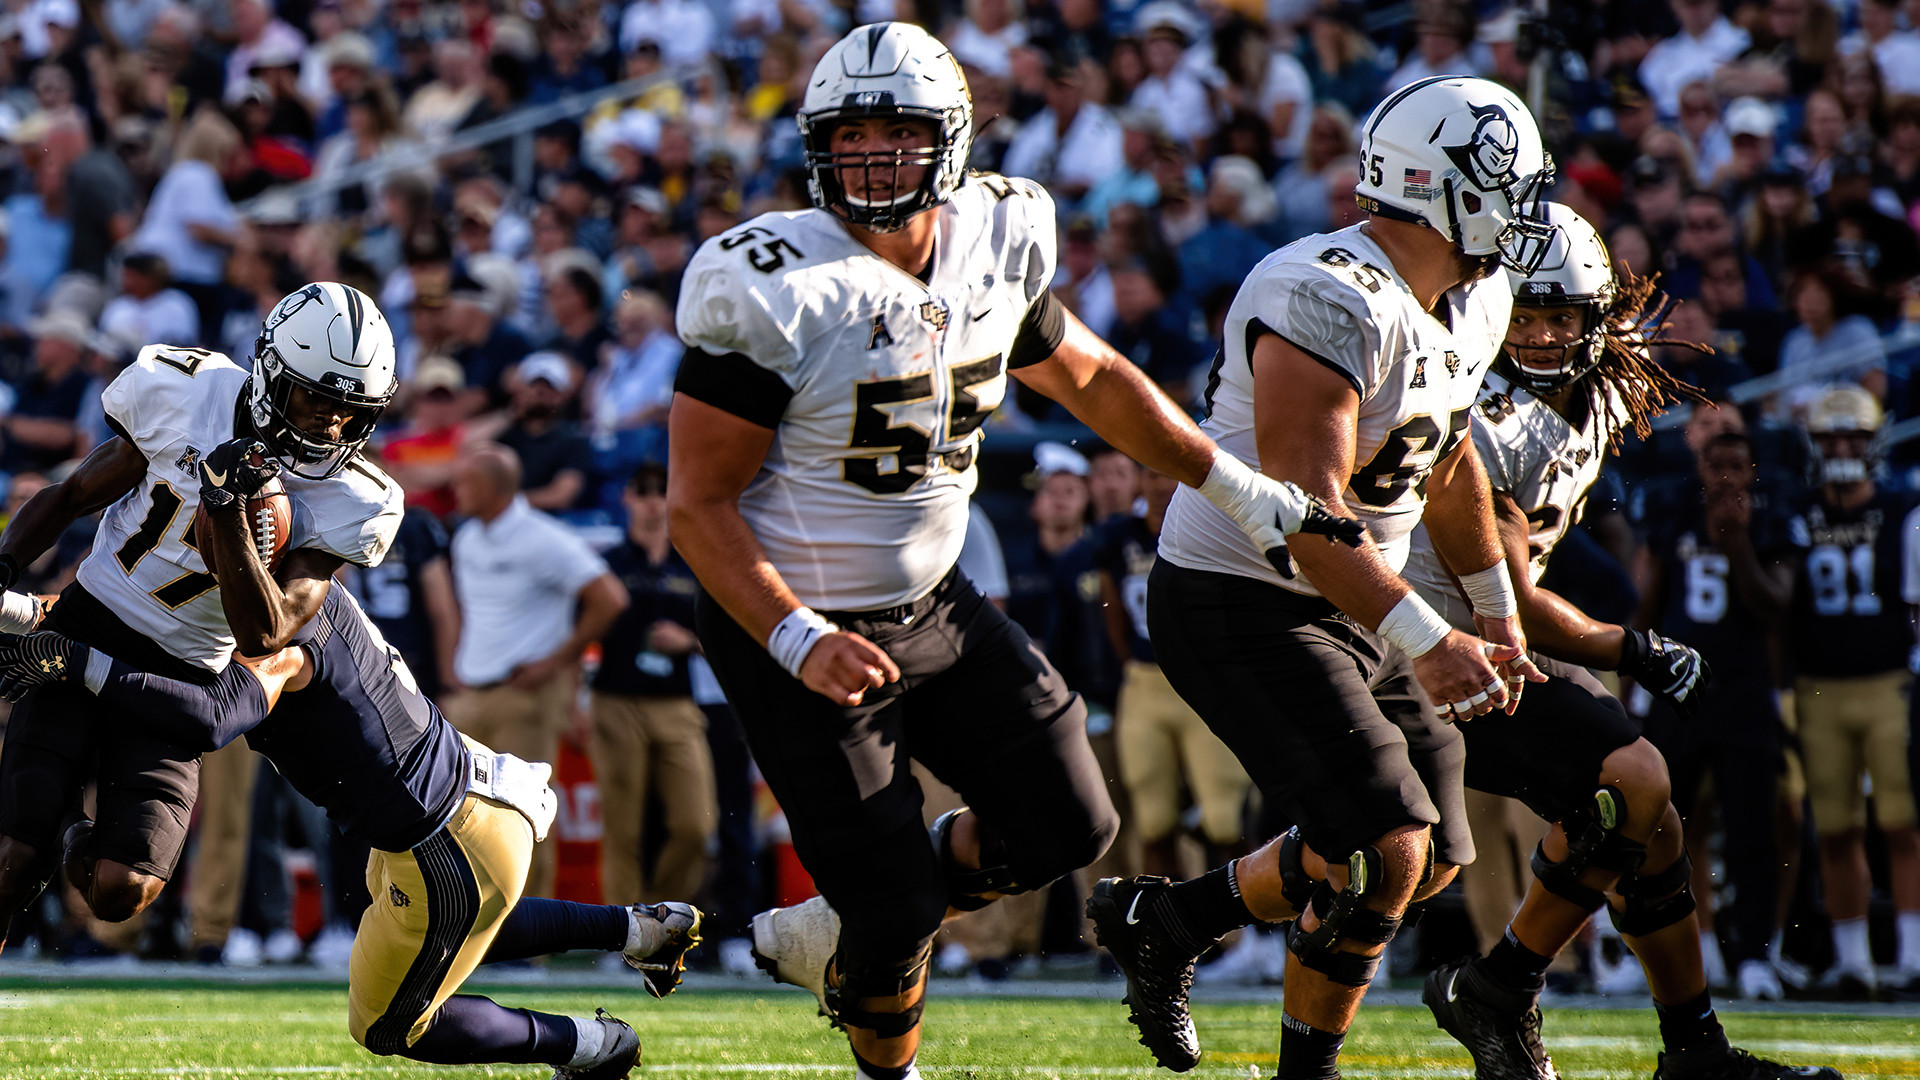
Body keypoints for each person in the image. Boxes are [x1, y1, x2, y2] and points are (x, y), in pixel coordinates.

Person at [666, 23, 1359, 1080]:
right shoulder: (774, 284)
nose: (870, 160)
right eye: (849, 137)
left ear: (950, 143)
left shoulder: (997, 235)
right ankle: (880, 994)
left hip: (935, 600)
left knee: (1072, 823)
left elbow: (1085, 376)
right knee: (896, 909)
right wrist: (799, 639)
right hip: (792, 619)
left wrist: (1231, 481)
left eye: (897, 136)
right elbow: (696, 506)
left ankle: (847, 922)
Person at [1090, 75, 1553, 1076]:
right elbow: (1309, 521)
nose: (1522, 213)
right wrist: (1432, 641)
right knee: (1386, 844)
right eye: (1509, 188)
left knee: (1430, 864)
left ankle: (1170, 921)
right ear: (1451, 189)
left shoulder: (1468, 298)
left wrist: (1495, 608)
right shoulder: (1323, 293)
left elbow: (1449, 457)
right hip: (1241, 593)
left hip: (1359, 598)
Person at [1403, 203, 1838, 1080]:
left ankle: (1694, 1049)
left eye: (1557, 314)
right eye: (1520, 313)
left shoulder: (1592, 397)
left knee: (1660, 828)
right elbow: (1514, 596)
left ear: (1595, 316)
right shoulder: (1480, 412)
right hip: (1430, 652)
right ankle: (1499, 984)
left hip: (1485, 641)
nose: (1535, 334)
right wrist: (1636, 650)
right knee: (1632, 781)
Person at [0, 584, 699, 1079]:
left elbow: (209, 718)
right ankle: (640, 930)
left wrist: (82, 666)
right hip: (458, 811)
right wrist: (28, 612)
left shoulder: (286, 635)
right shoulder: (310, 591)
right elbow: (148, 613)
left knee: (390, 1025)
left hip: (446, 841)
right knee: (432, 935)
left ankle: (591, 1046)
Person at [0, 282, 403, 948]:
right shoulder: (186, 389)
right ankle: (42, 834)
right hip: (89, 620)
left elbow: (263, 633)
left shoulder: (357, 498)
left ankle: (67, 828)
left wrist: (228, 518)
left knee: (120, 891)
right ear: (273, 374)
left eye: (349, 412)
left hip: (183, 672)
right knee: (11, 861)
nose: (332, 426)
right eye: (317, 400)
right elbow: (73, 493)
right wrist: (6, 565)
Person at [1634, 408, 1799, 1002]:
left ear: (1752, 469)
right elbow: (1650, 602)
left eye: (1736, 465)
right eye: (1716, 464)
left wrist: (1738, 544)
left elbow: (1776, 606)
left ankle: (1753, 953)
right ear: (1699, 465)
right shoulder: (1675, 512)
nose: (1726, 476)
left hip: (1744, 696)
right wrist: (1637, 675)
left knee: (1751, 827)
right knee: (1657, 823)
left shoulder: (1773, 519)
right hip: (1679, 695)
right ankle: (1655, 950)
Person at [444, 444, 629, 901]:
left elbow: (610, 597)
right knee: (452, 816)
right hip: (471, 694)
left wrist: (555, 662)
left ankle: (529, 940)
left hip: (524, 695)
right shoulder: (467, 537)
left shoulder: (543, 537)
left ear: (492, 487)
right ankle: (465, 926)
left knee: (520, 817)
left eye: (466, 482)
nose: (456, 490)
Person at [1786, 386, 1920, 996]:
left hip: (1889, 681)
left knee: (1902, 821)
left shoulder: (1901, 510)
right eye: (1831, 438)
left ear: (1874, 444)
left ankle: (1913, 956)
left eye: (1853, 439)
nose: (1842, 449)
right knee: (1835, 827)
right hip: (1820, 689)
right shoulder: (1796, 512)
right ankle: (1853, 961)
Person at [590, 465, 714, 910]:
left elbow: (725, 640)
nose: (652, 501)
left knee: (695, 824)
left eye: (662, 492)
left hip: (678, 704)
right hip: (615, 699)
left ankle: (664, 917)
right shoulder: (607, 563)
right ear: (626, 498)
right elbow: (580, 630)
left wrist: (689, 642)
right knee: (623, 826)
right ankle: (624, 925)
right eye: (643, 491)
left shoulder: (694, 563)